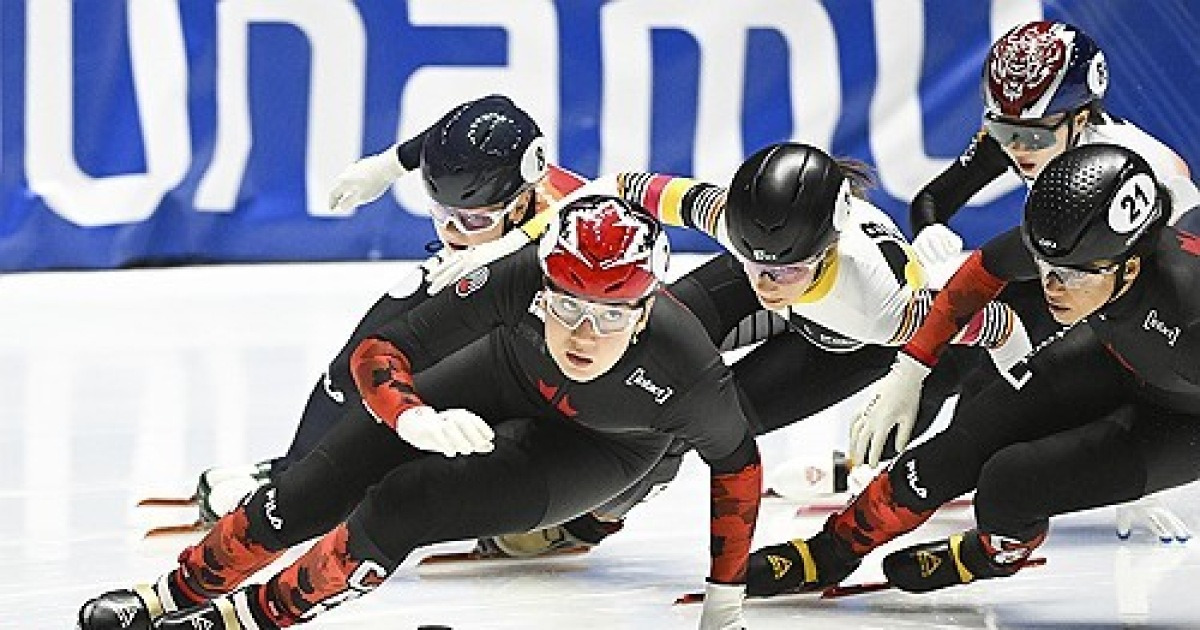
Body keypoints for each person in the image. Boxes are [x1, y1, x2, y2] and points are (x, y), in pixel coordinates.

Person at [79, 195, 762, 630]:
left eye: (609, 316)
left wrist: (724, 595)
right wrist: (407, 416)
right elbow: (382, 347)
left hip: (602, 446)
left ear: (644, 313)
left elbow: (738, 466)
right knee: (314, 485)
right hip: (505, 374)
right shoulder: (521, 274)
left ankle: (248, 621)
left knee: (407, 505)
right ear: (542, 286)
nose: (584, 334)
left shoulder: (688, 372)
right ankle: (174, 593)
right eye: (567, 306)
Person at [470, 142, 1031, 557]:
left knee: (683, 421)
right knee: (635, 349)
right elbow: (619, 185)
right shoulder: (739, 228)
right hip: (803, 291)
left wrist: (1003, 394)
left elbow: (998, 324)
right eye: (752, 258)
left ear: (830, 247)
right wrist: (523, 236)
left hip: (840, 346)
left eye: (783, 270)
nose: (766, 282)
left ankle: (588, 521)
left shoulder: (881, 304)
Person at [747, 144, 1200, 598]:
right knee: (962, 441)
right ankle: (833, 550)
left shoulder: (1188, 313)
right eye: (1044, 268)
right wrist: (911, 370)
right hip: (1116, 356)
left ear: (1131, 267)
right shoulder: (1072, 243)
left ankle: (991, 553)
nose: (1052, 288)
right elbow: (979, 274)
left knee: (1011, 484)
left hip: (1185, 422)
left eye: (1073, 277)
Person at [188, 94, 587, 524]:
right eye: (441, 214)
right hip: (476, 278)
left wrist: (509, 250)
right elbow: (437, 144)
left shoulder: (580, 218)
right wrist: (387, 166)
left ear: (525, 201)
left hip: (544, 324)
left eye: (473, 221)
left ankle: (585, 516)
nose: (453, 232)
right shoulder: (489, 186)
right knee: (375, 344)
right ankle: (298, 467)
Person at [907, 18, 1199, 542]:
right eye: (1001, 130)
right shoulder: (1029, 126)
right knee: (948, 358)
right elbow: (932, 198)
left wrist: (1144, 470)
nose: (1016, 148)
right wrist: (930, 230)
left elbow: (1164, 303)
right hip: (1054, 269)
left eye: (1031, 135)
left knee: (986, 386)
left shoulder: (1151, 171)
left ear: (1082, 117)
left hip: (1117, 298)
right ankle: (889, 466)